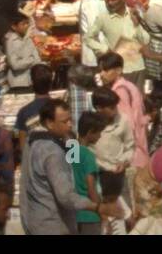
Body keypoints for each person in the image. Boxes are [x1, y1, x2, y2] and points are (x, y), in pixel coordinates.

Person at [20, 100, 119, 234]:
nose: (70, 125)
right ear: (49, 123)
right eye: (64, 122)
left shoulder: (32, 142)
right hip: (56, 223)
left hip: (37, 220)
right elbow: (67, 195)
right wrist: (99, 208)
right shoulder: (54, 152)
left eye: (70, 120)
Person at [72, 111, 106, 235]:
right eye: (99, 132)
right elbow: (91, 188)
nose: (100, 136)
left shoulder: (71, 151)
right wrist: (101, 212)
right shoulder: (88, 156)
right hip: (89, 215)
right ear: (90, 131)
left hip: (73, 213)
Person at [2, 13, 40, 92]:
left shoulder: (28, 39)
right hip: (18, 84)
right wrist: (31, 60)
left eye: (27, 23)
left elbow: (37, 60)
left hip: (31, 81)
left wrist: (26, 60)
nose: (26, 26)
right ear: (14, 27)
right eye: (23, 24)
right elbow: (15, 65)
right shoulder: (10, 41)